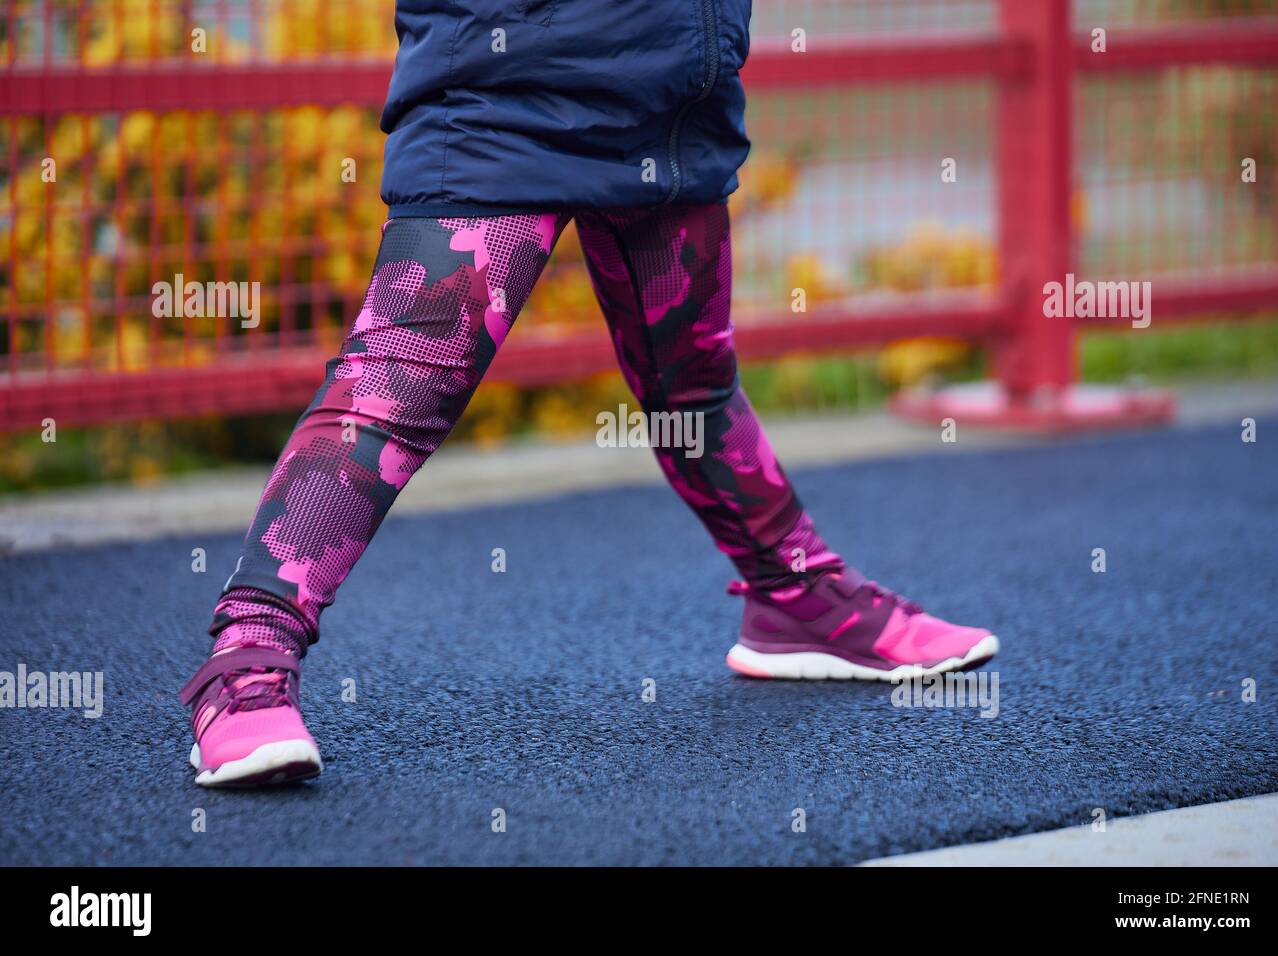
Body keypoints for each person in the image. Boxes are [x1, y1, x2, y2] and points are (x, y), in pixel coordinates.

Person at [180, 0, 998, 787]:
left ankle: (797, 597)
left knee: (695, 390)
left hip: (675, 99)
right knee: (395, 388)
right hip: (505, 95)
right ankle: (248, 659)